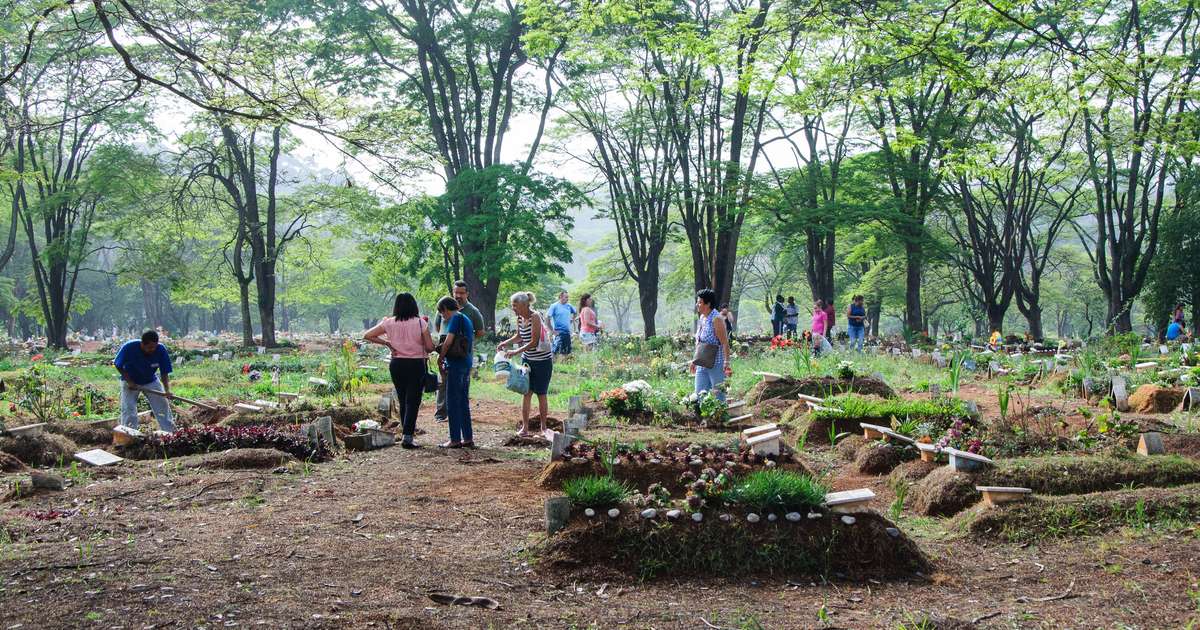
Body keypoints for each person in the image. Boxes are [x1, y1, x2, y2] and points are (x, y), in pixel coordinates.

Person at [363, 293, 435, 449]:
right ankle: (408, 437)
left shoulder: (389, 323)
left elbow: (367, 335)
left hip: (397, 364)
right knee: (413, 400)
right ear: (413, 306)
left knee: (403, 400)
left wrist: (387, 343)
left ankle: (406, 434)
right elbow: (429, 347)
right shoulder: (420, 323)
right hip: (416, 364)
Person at [500, 292, 554, 437]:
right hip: (527, 360)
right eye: (513, 306)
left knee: (541, 393)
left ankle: (543, 427)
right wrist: (505, 343)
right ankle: (525, 428)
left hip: (542, 361)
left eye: (515, 306)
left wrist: (515, 351)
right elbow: (519, 336)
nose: (514, 309)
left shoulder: (535, 317)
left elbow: (534, 342)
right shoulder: (519, 318)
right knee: (526, 392)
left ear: (524, 304)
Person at [432, 281, 485, 423]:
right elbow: (437, 327)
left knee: (461, 381)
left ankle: (460, 410)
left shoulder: (472, 311)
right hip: (445, 349)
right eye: (456, 292)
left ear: (467, 294)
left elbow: (480, 331)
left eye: (461, 293)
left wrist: (463, 340)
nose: (458, 295)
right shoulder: (443, 308)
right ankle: (441, 412)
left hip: (462, 351)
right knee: (443, 382)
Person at [113, 330, 175, 432]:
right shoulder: (129, 347)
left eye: (154, 347)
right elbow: (118, 364)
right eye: (150, 347)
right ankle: (129, 434)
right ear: (142, 344)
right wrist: (130, 382)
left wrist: (167, 390)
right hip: (130, 380)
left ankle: (170, 433)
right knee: (129, 409)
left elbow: (164, 372)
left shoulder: (160, 349)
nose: (152, 350)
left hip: (150, 379)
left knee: (162, 405)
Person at [434, 296, 474, 448]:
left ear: (446, 308)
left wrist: (440, 357)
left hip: (456, 364)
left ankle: (455, 439)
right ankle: (468, 437)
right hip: (466, 362)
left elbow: (449, 341)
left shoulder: (455, 318)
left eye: (442, 312)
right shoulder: (466, 318)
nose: (442, 316)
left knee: (452, 402)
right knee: (463, 402)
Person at [691, 289, 733, 402]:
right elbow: (699, 341)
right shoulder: (702, 318)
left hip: (716, 362)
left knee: (719, 394)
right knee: (700, 394)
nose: (697, 304)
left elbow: (724, 343)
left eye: (700, 302)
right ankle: (705, 418)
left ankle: (720, 418)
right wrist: (694, 361)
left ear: (708, 304)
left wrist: (727, 362)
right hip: (702, 362)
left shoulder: (716, 319)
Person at [546, 290, 577, 356]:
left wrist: (572, 320)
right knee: (555, 351)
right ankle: (554, 364)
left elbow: (575, 312)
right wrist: (552, 331)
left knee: (567, 352)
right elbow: (547, 318)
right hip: (558, 332)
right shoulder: (554, 306)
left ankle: (564, 365)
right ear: (560, 297)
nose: (567, 299)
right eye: (566, 297)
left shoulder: (569, 306)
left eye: (568, 297)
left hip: (567, 332)